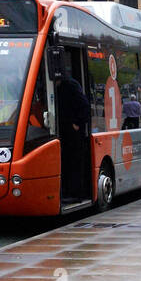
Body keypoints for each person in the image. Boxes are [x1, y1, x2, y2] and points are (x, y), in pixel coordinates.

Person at [55, 71, 92, 201]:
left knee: (74, 161)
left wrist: (76, 123)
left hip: (72, 131)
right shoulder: (63, 85)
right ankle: (69, 191)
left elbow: (85, 107)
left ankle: (75, 193)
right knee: (68, 161)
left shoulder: (70, 85)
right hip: (65, 130)